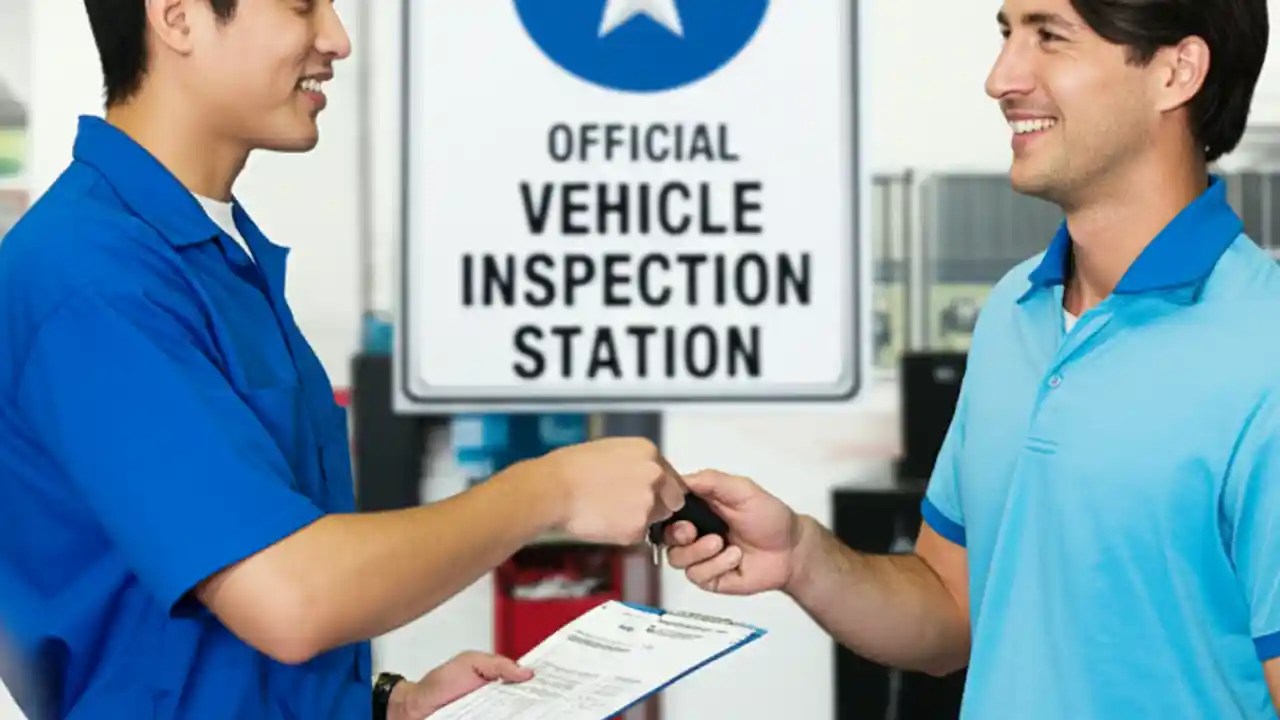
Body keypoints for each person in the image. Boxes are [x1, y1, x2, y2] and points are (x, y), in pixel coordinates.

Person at [0, 1, 687, 718]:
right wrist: (550, 491)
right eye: (302, 6)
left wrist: (387, 704)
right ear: (178, 19)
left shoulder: (210, 261)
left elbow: (214, 631)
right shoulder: (90, 280)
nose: (337, 39)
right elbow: (291, 596)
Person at [665, 0, 1280, 717]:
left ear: (1177, 72)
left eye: (1049, 36)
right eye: (1006, 34)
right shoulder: (1015, 309)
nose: (1000, 78)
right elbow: (954, 607)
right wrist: (801, 556)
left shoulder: (1264, 350)